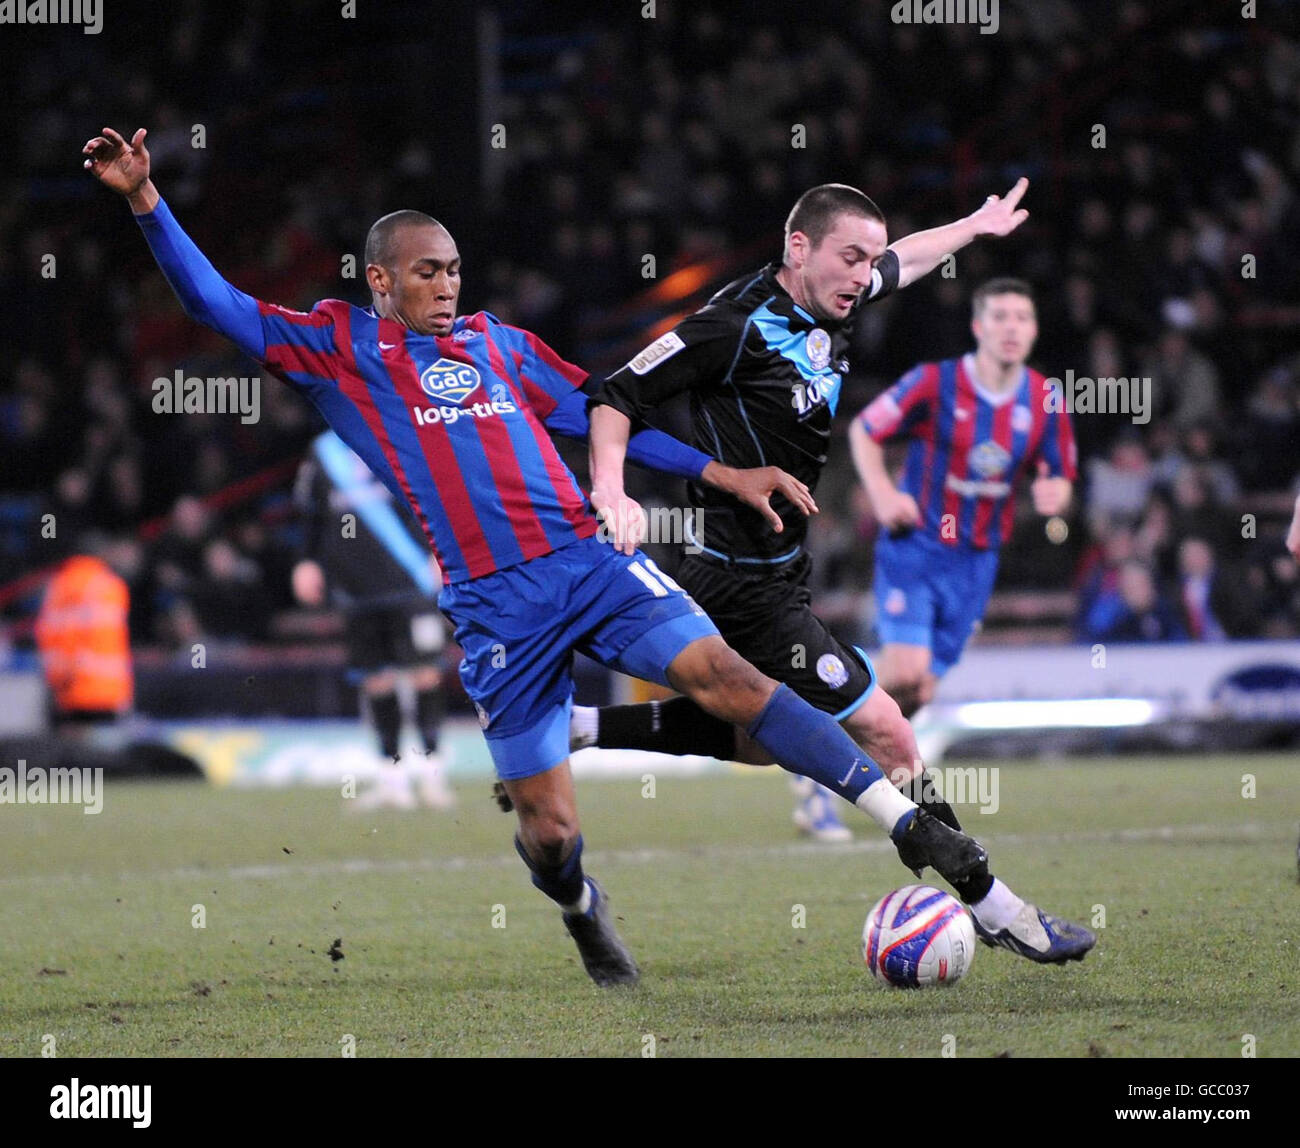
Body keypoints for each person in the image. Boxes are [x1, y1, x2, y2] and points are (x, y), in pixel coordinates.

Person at [85, 126, 988, 988]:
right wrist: (147, 199)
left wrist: (721, 469)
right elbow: (214, 304)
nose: (445, 286)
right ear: (380, 280)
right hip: (494, 604)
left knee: (728, 678)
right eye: (426, 272)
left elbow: (604, 408)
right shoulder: (339, 349)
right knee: (551, 832)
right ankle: (579, 904)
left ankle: (911, 826)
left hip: (587, 561)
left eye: (454, 270)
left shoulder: (498, 345)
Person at [584, 189, 1095, 963]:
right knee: (888, 730)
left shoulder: (836, 299)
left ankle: (579, 727)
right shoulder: (734, 324)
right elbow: (615, 391)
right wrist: (612, 491)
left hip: (775, 572)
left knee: (764, 740)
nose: (864, 275)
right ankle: (997, 905)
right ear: (798, 248)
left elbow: (909, 258)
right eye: (849, 257)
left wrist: (975, 227)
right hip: (737, 580)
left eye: (867, 260)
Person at [852, 279, 1076, 715]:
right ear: (978, 326)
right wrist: (881, 494)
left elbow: (1060, 472)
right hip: (916, 546)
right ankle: (818, 732)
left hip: (977, 560)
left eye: (1022, 318)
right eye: (1000, 317)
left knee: (921, 691)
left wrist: (1057, 492)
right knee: (904, 671)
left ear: (1033, 331)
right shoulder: (935, 382)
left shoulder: (1046, 398)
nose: (1011, 328)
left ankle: (849, 771)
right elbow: (865, 428)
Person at [292, 430, 455, 811]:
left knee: (425, 673)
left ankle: (432, 775)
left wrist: (437, 552)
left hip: (410, 581)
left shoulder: (396, 435)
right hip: (355, 589)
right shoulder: (323, 453)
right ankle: (392, 779)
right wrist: (305, 562)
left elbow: (431, 501)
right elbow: (311, 516)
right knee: (376, 681)